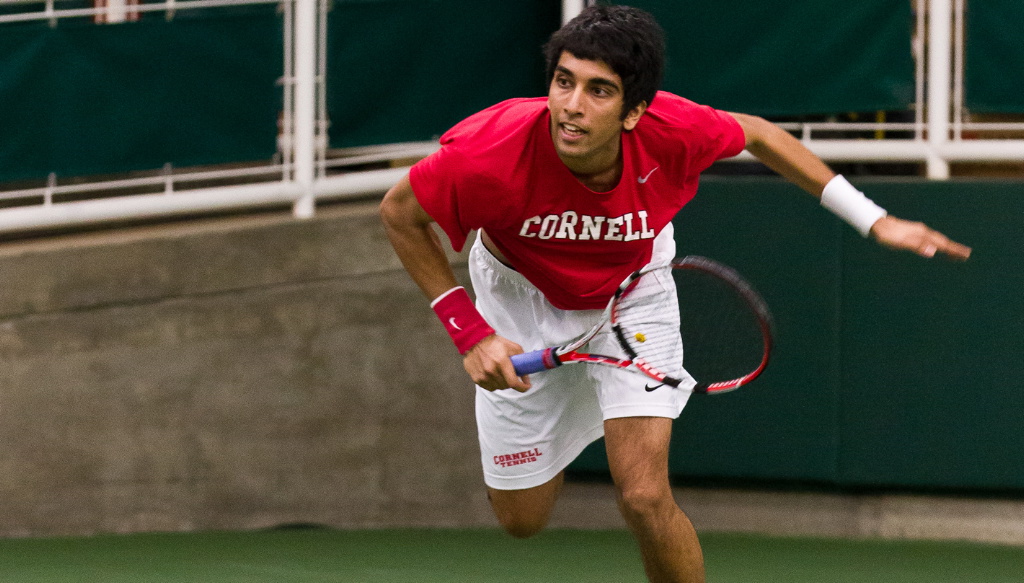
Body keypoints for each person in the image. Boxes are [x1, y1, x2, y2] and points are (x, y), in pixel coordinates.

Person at [379, 6, 971, 583]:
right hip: (519, 300)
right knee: (521, 520)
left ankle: (614, 397)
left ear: (636, 111)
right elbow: (399, 214)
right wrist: (471, 332)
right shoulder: (488, 152)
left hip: (632, 296)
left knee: (642, 493)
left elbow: (760, 135)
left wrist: (874, 220)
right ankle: (574, 406)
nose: (572, 107)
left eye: (599, 91)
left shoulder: (674, 129)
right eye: (564, 82)